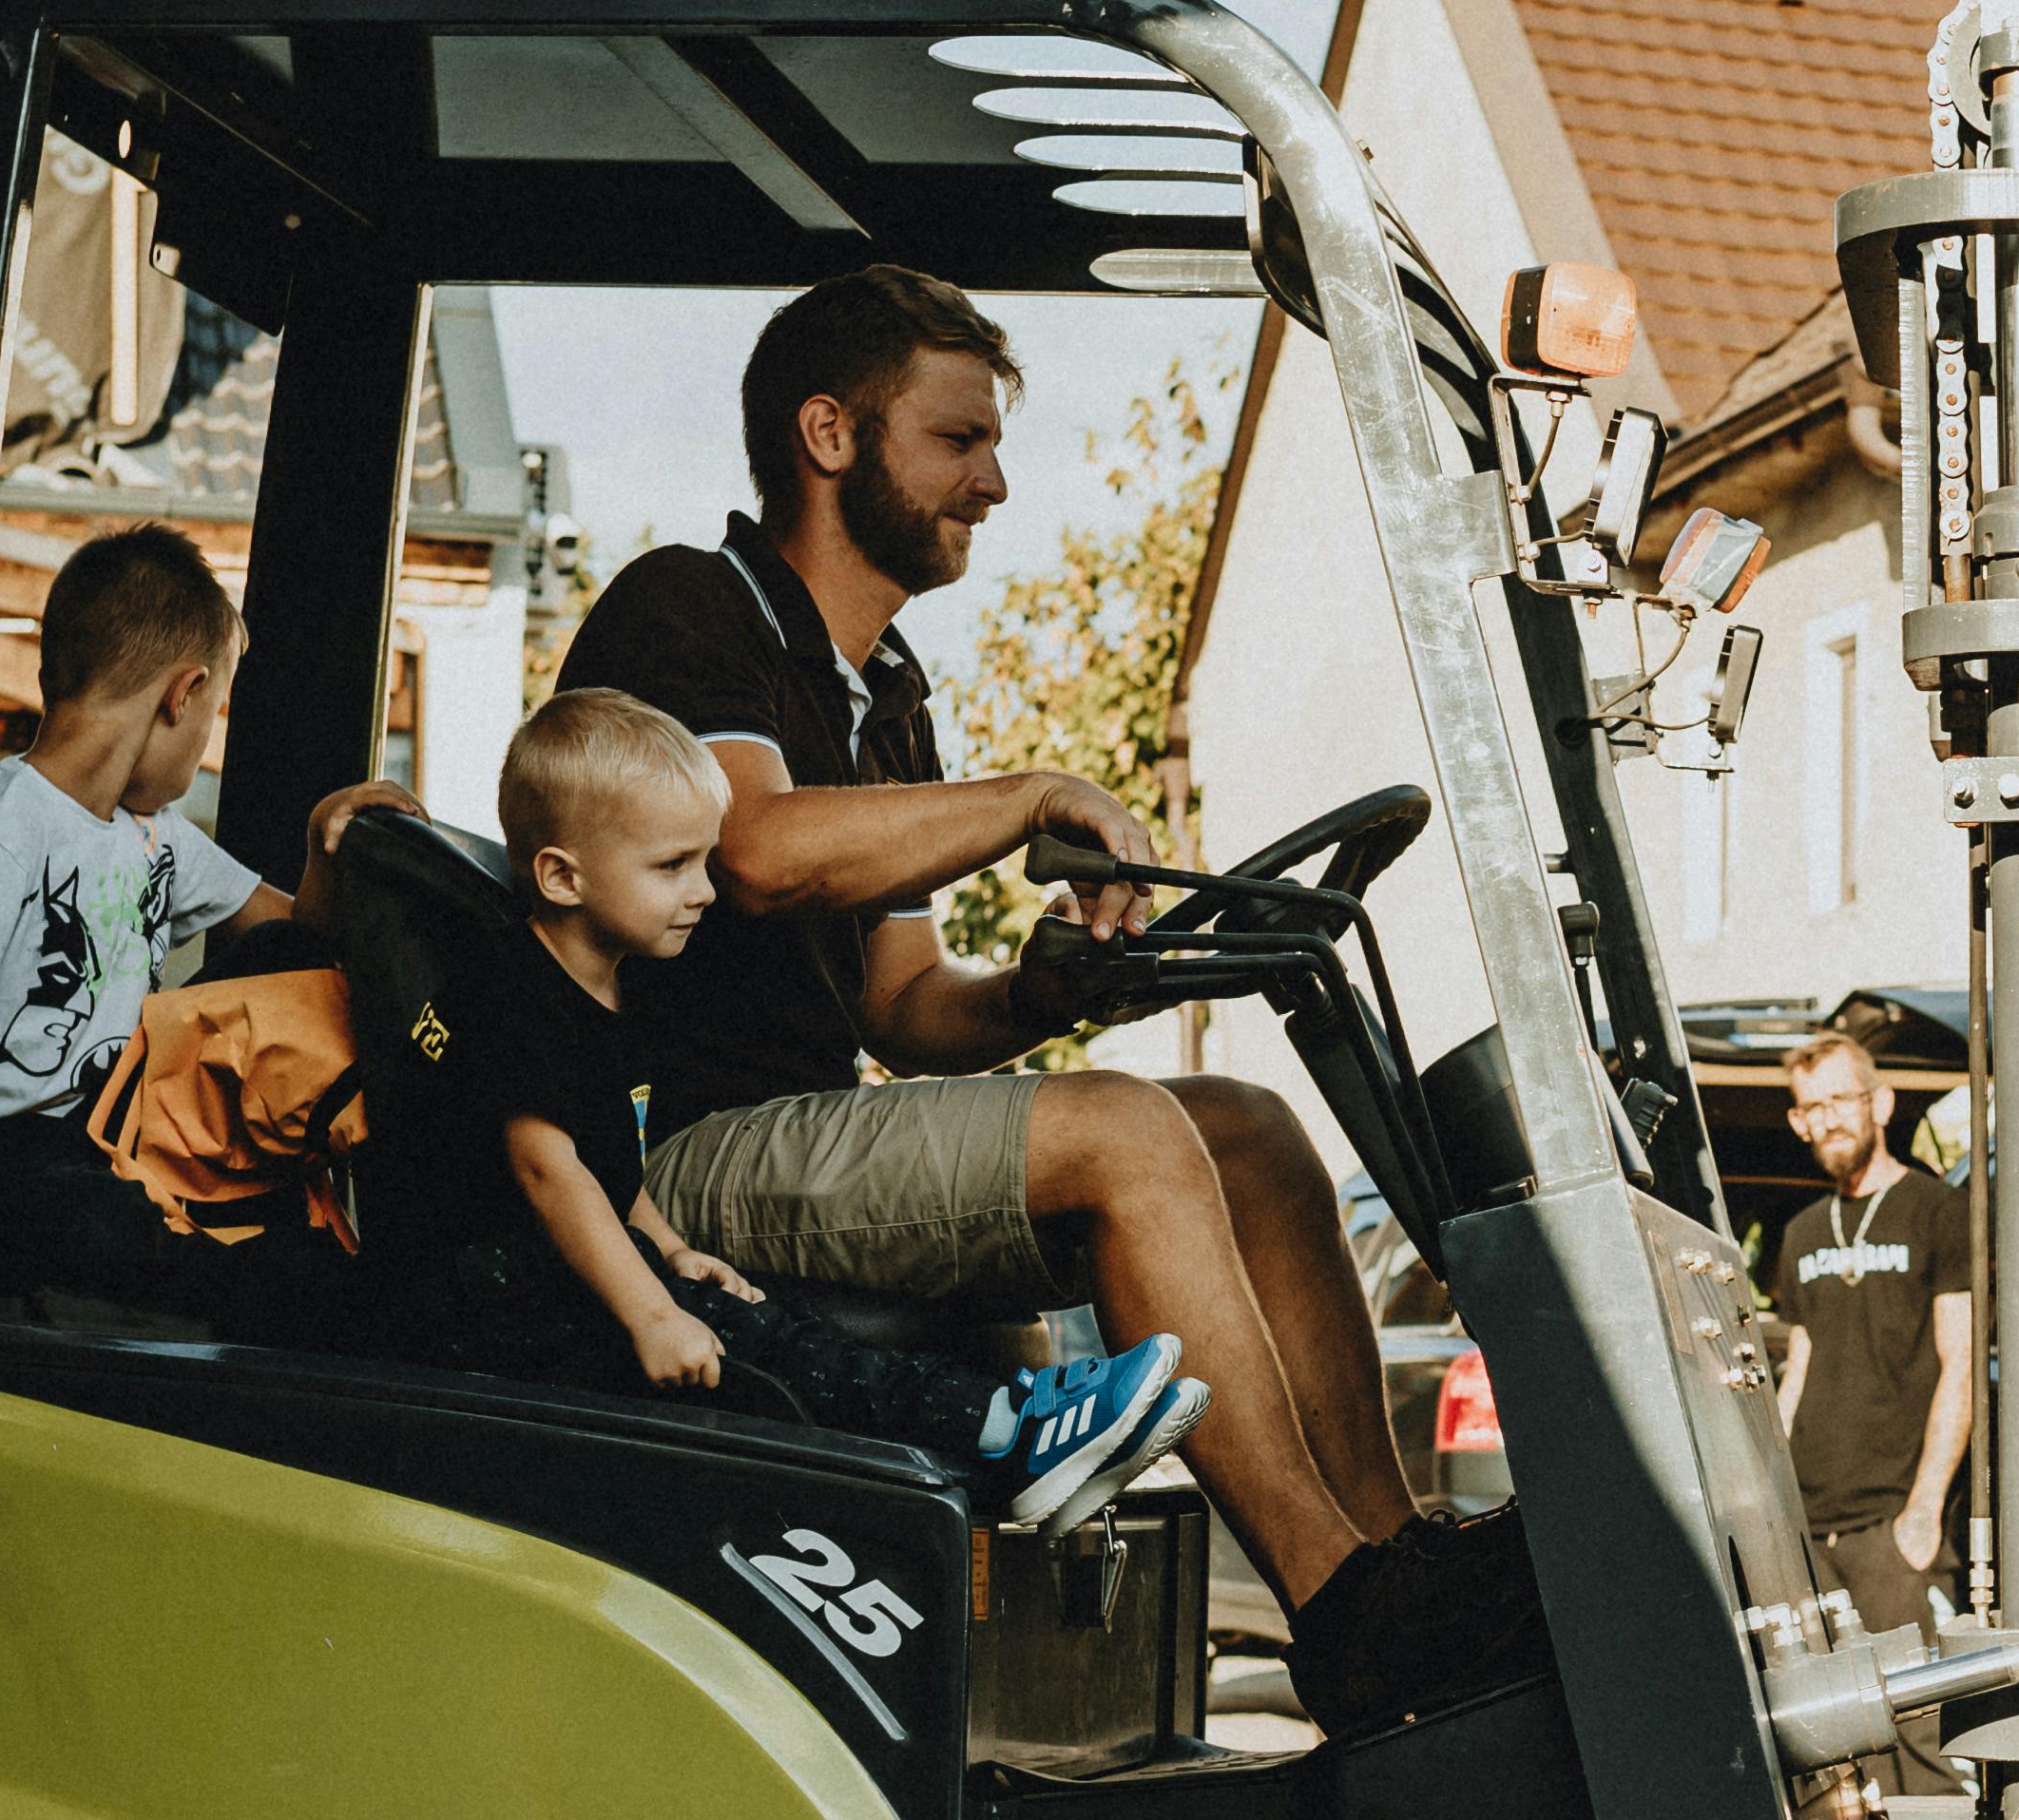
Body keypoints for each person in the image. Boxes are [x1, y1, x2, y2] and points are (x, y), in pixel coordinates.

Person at [554, 264, 1536, 1727]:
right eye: (959, 441)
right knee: (1126, 1135)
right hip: (682, 1160)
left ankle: (1396, 1555)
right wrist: (1026, 798)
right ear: (830, 433)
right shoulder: (696, 608)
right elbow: (751, 849)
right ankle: (1339, 1606)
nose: (996, 483)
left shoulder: (887, 688)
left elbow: (905, 1005)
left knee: (1252, 1127)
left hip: (817, 1122)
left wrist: (1059, 985)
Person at [342, 688, 1203, 1528]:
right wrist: (652, 1310)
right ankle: (1009, 1432)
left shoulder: (615, 991)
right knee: (760, 1349)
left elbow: (608, 1163)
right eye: (672, 866)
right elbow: (548, 1167)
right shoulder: (515, 992)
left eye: (703, 861)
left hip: (543, 1279)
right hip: (474, 1305)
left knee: (760, 1312)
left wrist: (675, 1252)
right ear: (563, 877)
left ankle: (1009, 1435)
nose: (705, 891)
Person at [0, 524, 395, 1309]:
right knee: (133, 1233)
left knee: (279, 955)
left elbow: (292, 940)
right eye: (212, 713)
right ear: (182, 696)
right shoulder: (9, 823)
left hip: (111, 1142)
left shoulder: (154, 834)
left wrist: (325, 843)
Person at [1766, 1028, 1974, 1637]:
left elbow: (1960, 1366)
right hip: (1806, 1528)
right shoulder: (1801, 1233)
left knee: (1923, 1725)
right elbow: (1798, 1371)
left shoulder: (1938, 1210)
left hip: (1893, 1523)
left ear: (1879, 1104)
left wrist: (1923, 1514)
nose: (1829, 1121)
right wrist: (1773, 1506)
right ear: (1798, 1122)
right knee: (1828, 1724)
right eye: (1812, 1108)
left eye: (1841, 1100)